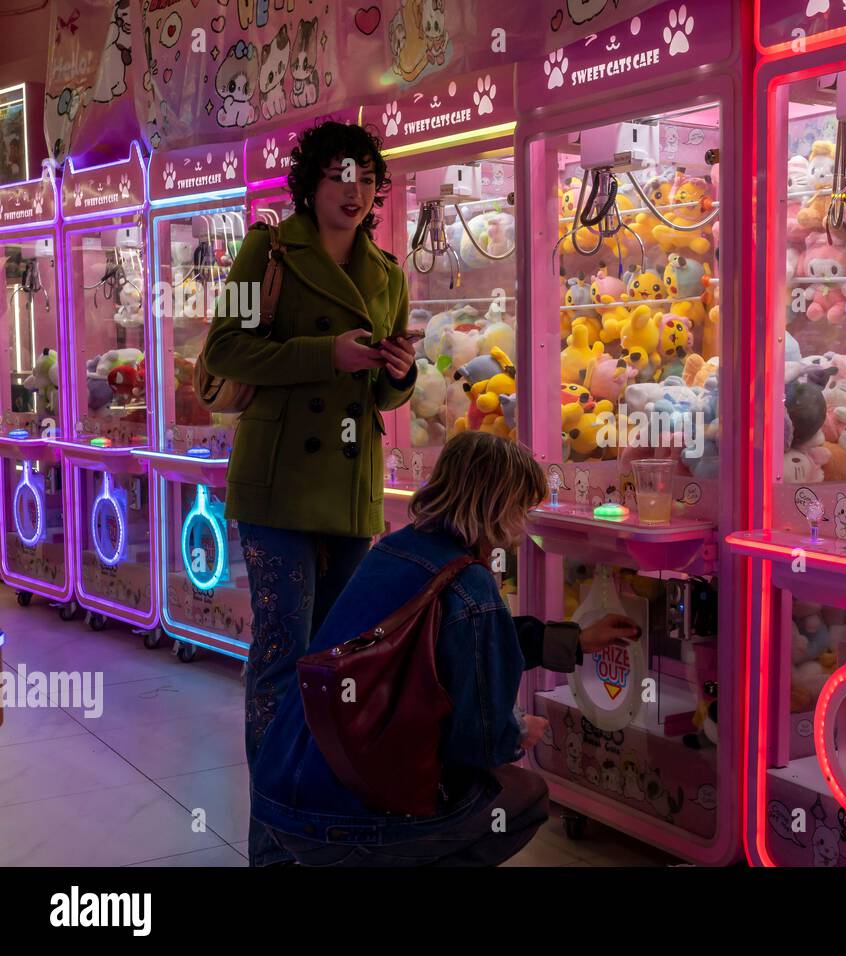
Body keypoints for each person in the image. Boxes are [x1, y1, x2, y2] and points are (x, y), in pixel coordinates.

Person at [249, 432, 642, 866]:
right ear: (497, 506)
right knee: (524, 798)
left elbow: (456, 638)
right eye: (520, 509)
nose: (521, 528)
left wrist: (575, 640)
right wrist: (516, 734)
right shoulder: (470, 582)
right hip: (341, 820)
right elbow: (481, 743)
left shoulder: (397, 548)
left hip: (278, 791)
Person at [200, 121, 418, 866]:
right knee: (281, 656)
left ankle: (320, 828)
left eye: (365, 179)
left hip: (350, 487)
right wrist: (326, 352)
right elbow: (228, 349)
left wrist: (396, 372)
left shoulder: (386, 274)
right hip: (278, 488)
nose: (353, 191)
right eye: (338, 175)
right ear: (310, 182)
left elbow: (389, 395)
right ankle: (272, 844)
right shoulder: (273, 252)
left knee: (337, 666)